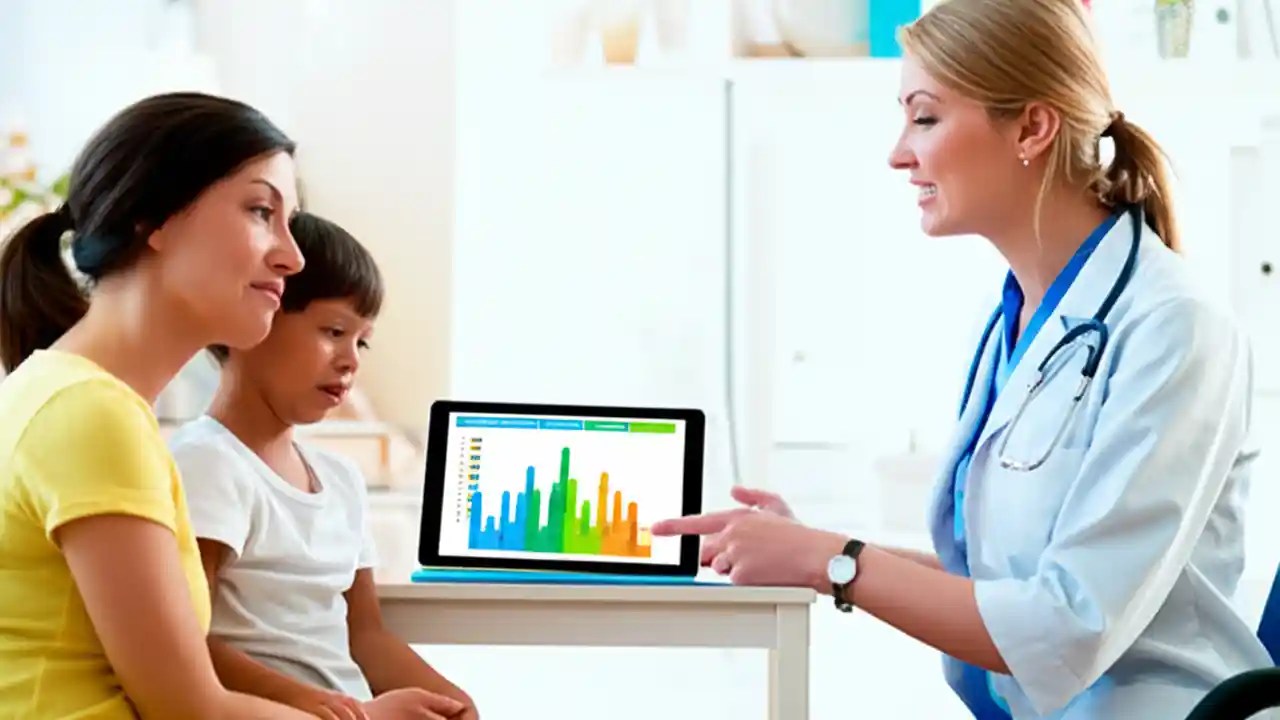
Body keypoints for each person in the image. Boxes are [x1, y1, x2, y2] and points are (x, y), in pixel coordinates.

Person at [652, 1, 1275, 718]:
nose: (898, 152)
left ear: (1033, 128)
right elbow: (997, 586)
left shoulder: (1174, 327)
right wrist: (815, 553)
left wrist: (834, 558)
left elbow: (1065, 623)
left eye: (925, 117)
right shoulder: (1019, 320)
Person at [0, 92, 317, 718]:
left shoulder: (66, 392)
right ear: (155, 219)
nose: (293, 255)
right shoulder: (90, 413)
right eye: (261, 211)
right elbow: (189, 706)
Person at [168, 211, 478, 720]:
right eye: (334, 331)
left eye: (362, 341)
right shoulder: (209, 464)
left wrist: (458, 704)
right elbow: (183, 642)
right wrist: (315, 704)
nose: (351, 359)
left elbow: (366, 634)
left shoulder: (340, 480)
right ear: (257, 320)